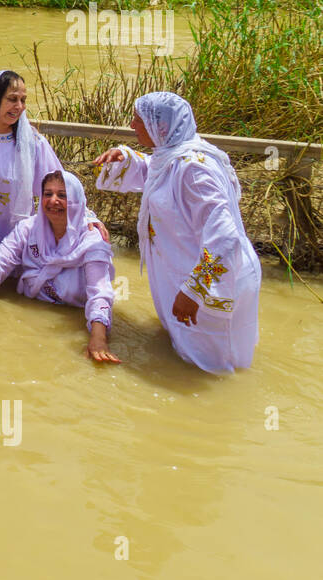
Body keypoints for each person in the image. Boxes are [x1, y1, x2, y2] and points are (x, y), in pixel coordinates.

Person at [93, 92, 261, 374]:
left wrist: (195, 291)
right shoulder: (176, 155)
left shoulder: (195, 169)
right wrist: (129, 157)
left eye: (138, 120)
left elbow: (226, 238)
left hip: (210, 280)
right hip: (189, 269)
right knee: (193, 355)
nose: (132, 125)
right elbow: (159, 172)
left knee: (209, 369)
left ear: (160, 127)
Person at [0, 171, 121, 363]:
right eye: (48, 194)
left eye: (62, 195)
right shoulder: (28, 229)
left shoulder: (92, 239)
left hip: (72, 314)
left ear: (77, 201)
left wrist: (98, 339)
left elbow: (100, 292)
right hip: (32, 309)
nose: (53, 200)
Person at [0, 70, 66, 269]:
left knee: (3, 280)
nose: (19, 107)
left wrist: (89, 220)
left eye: (23, 100)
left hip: (7, 234)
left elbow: (61, 186)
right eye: (12, 99)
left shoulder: (32, 145)